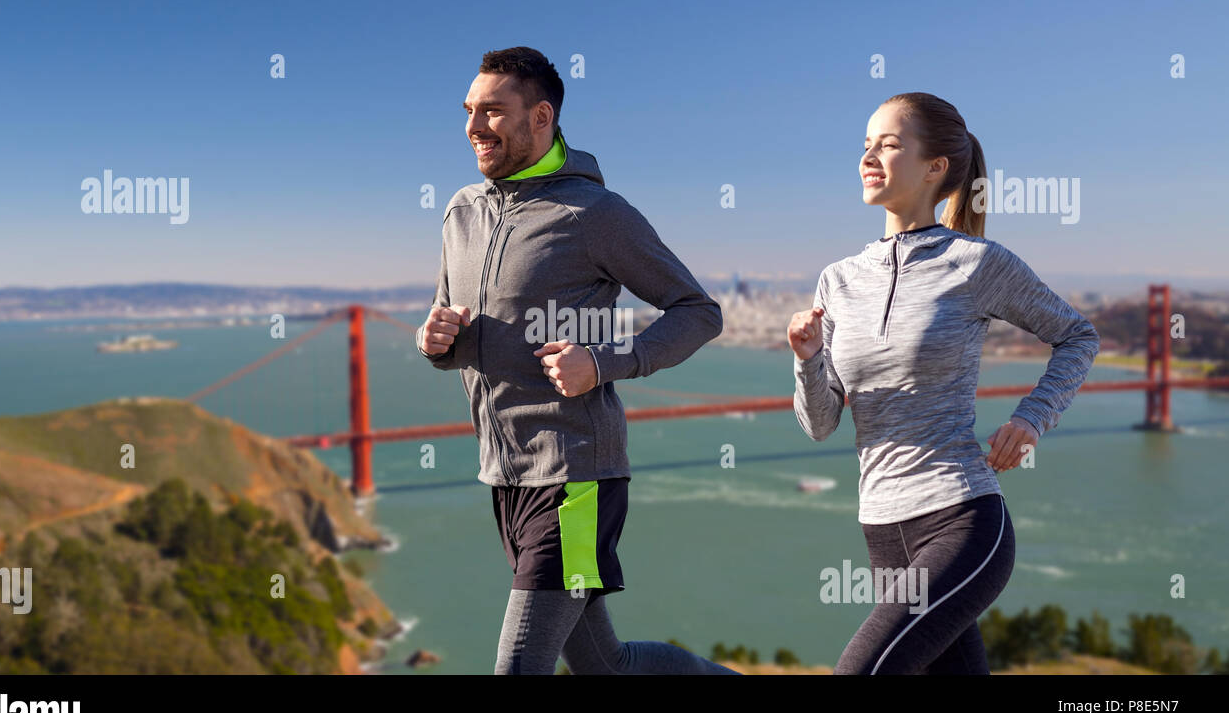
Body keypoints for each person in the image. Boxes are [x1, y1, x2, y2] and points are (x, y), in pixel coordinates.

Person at [418, 46, 736, 675]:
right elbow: (447, 326)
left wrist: (606, 361)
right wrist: (433, 341)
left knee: (518, 668)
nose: (473, 126)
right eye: (468, 111)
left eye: (492, 111)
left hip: (578, 480)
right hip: (504, 479)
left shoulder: (595, 214)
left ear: (541, 117)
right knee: (606, 667)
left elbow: (699, 312)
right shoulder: (461, 211)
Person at [788, 92, 1100, 674]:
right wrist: (807, 358)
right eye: (865, 145)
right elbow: (820, 423)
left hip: (960, 517)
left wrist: (1032, 417)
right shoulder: (838, 280)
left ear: (935, 168)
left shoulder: (976, 263)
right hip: (881, 528)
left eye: (889, 144)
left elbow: (1077, 336)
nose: (869, 157)